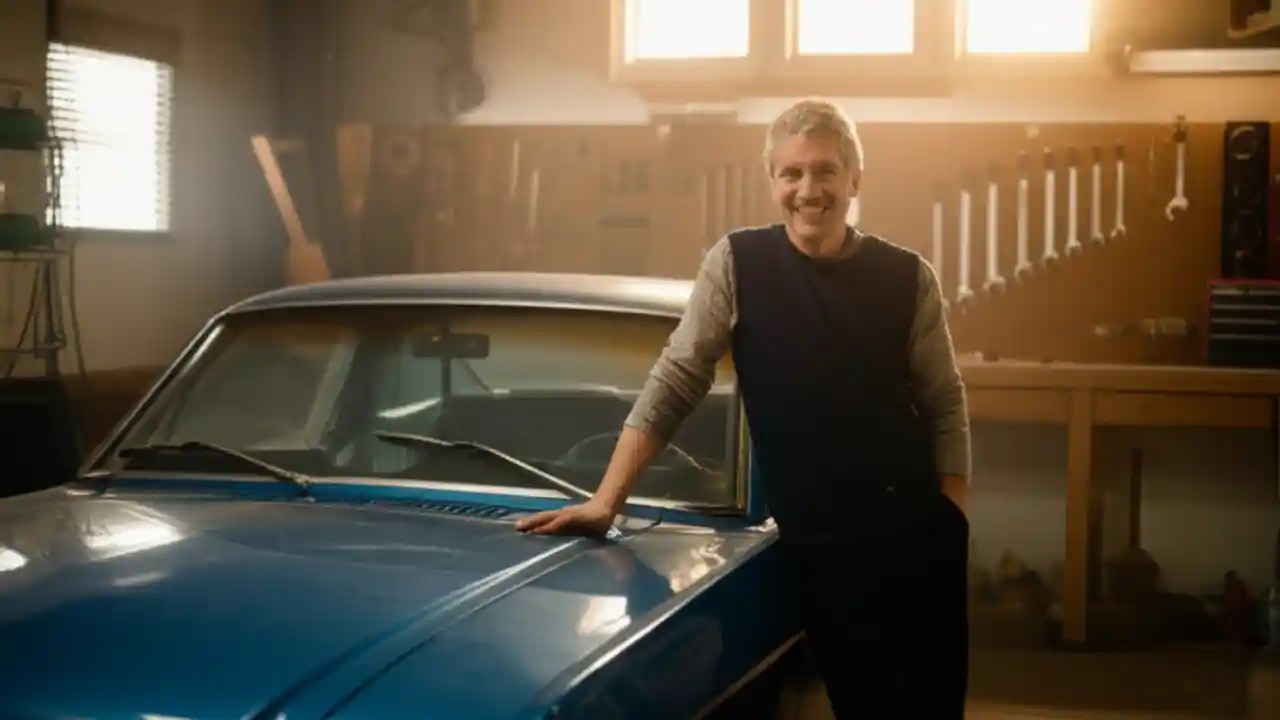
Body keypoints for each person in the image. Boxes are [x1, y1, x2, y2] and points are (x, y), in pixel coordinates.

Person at [516, 98, 972, 718]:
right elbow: (678, 377)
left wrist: (952, 519)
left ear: (855, 180)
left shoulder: (907, 276)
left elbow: (943, 403)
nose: (808, 189)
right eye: (792, 173)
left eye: (826, 171)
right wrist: (606, 500)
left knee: (934, 707)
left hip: (916, 534)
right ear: (773, 183)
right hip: (819, 547)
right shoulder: (738, 263)